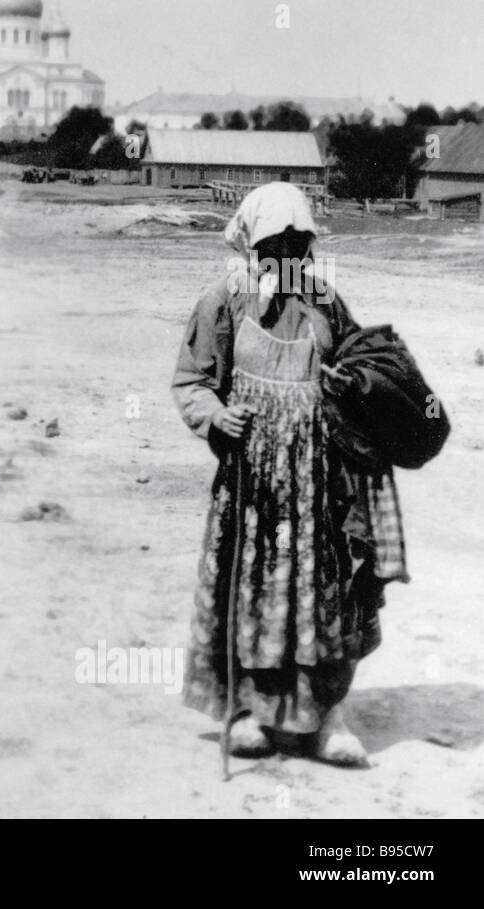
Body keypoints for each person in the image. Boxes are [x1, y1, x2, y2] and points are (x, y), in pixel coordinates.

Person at [172, 182, 409, 767]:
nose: (288, 254)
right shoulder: (222, 301)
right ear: (251, 242)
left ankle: (329, 717)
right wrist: (215, 415)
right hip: (253, 483)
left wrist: (359, 387)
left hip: (320, 483)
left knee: (325, 599)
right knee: (252, 594)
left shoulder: (326, 301)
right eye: (276, 241)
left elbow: (364, 364)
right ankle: (250, 711)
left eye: (299, 241)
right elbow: (191, 380)